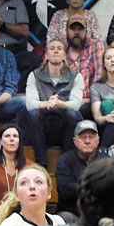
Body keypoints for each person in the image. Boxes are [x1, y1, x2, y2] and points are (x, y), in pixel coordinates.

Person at [23, 37, 83, 167]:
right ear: (46, 54)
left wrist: (60, 104)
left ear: (65, 55)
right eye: (52, 48)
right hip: (43, 126)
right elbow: (30, 104)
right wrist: (47, 104)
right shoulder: (34, 75)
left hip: (64, 126)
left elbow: (76, 104)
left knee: (72, 114)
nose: (55, 51)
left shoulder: (76, 76)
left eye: (59, 49)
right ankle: (41, 163)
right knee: (33, 114)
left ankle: (68, 162)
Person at [55, 119, 109, 220]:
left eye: (91, 137)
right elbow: (64, 190)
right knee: (64, 217)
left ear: (97, 140)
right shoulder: (65, 160)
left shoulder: (107, 162)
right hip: (72, 212)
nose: (87, 141)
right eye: (83, 137)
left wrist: (81, 187)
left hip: (100, 214)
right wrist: (94, 187)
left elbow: (110, 189)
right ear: (75, 141)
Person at [63, 12, 104, 99]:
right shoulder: (61, 50)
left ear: (86, 32)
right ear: (66, 31)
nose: (77, 32)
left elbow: (99, 78)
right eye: (73, 29)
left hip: (89, 100)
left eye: (80, 29)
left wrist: (89, 100)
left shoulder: (95, 46)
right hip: (64, 101)